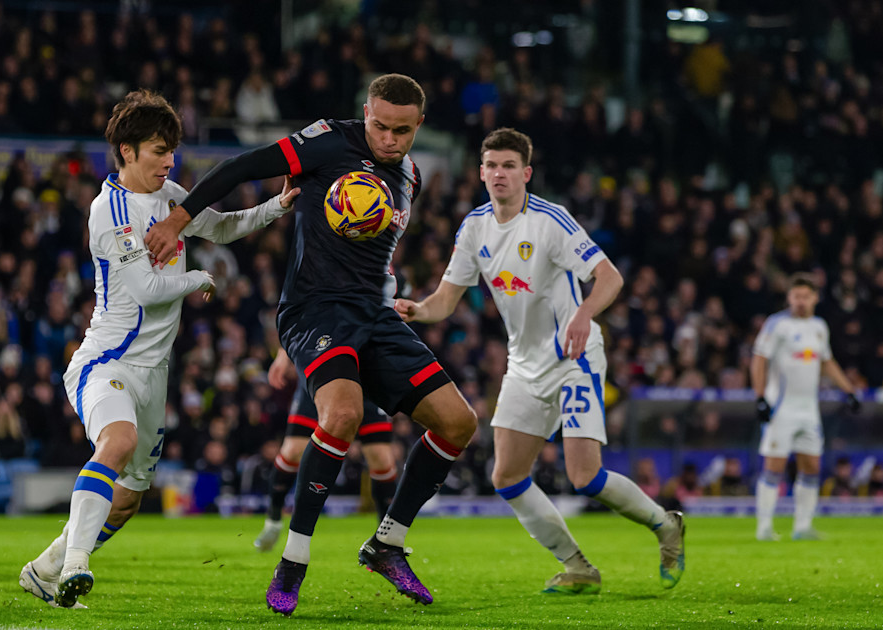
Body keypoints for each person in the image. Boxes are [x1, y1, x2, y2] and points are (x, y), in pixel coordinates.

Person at [146, 74, 477, 615]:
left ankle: (387, 543)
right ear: (364, 112)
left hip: (374, 314)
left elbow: (376, 257)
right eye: (379, 126)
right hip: (315, 310)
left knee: (459, 423)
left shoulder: (410, 177)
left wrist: (397, 298)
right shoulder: (327, 141)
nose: (389, 139)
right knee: (341, 415)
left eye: (402, 130)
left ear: (420, 126)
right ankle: (292, 562)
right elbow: (243, 166)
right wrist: (179, 221)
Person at [18, 89, 301, 609]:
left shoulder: (167, 192)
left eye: (171, 149)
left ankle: (46, 567)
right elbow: (147, 290)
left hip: (155, 372)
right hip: (107, 359)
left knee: (127, 499)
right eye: (156, 149)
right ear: (126, 151)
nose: (169, 160)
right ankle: (77, 565)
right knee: (118, 440)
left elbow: (220, 226)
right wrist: (197, 277)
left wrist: (277, 206)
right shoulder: (110, 209)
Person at [393, 128, 685, 593]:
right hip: (523, 366)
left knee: (583, 475)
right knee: (507, 476)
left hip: (573, 357)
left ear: (526, 173)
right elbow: (446, 298)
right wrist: (417, 309)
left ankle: (665, 525)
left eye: (509, 166)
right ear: (481, 172)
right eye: (491, 165)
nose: (499, 174)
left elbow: (609, 277)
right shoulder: (473, 227)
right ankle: (579, 567)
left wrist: (585, 314)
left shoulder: (551, 221)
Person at [752, 272, 861, 541]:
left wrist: (848, 390)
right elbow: (759, 359)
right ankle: (764, 527)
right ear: (789, 297)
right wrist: (760, 396)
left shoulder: (819, 327)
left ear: (815, 298)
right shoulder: (776, 324)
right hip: (781, 408)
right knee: (774, 466)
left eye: (805, 296)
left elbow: (826, 361)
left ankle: (802, 527)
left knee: (811, 465)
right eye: (796, 296)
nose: (800, 301)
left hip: (808, 410)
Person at [253, 348, 397, 551]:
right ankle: (273, 520)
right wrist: (284, 353)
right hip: (322, 372)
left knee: (382, 459)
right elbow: (298, 316)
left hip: (367, 378)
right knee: (293, 451)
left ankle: (386, 541)